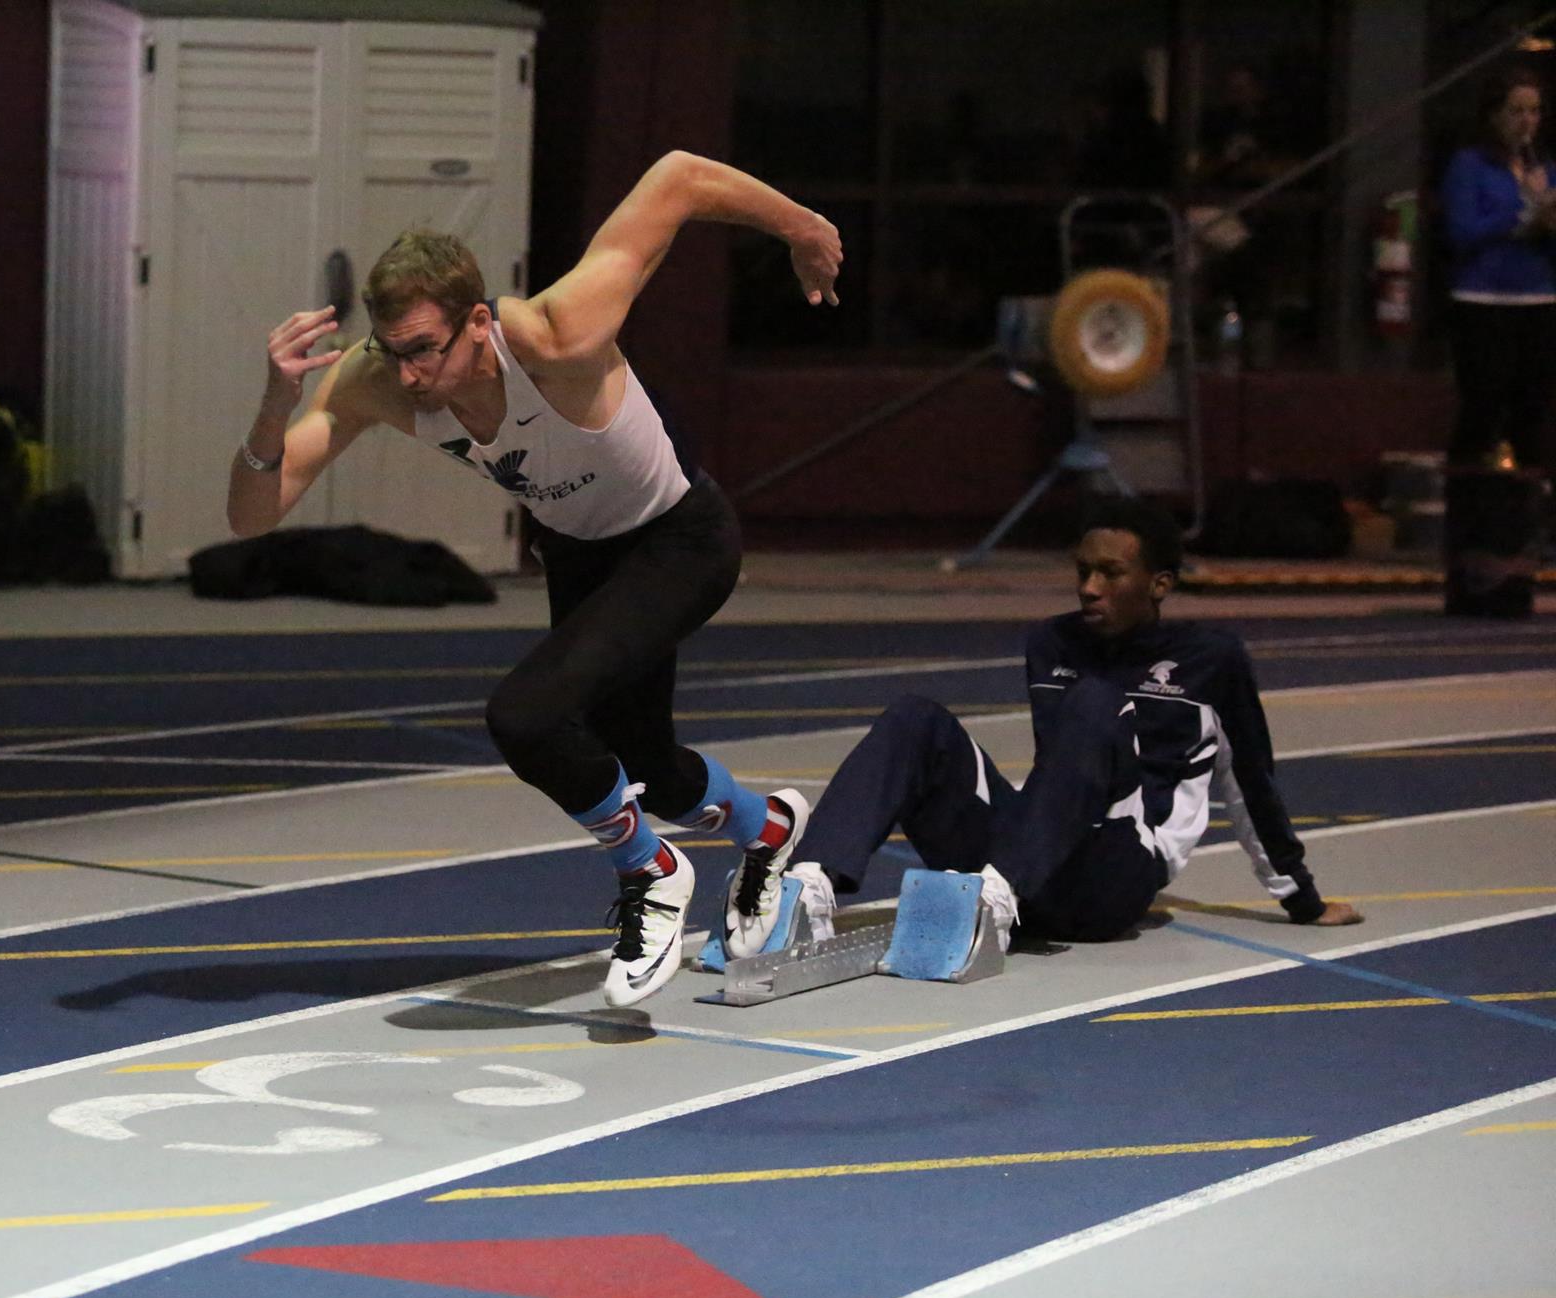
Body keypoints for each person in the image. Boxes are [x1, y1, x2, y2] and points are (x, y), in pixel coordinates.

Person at [231, 151, 843, 1007]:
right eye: (393, 351)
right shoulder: (376, 379)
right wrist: (272, 405)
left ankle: (651, 869)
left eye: (424, 351)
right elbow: (253, 516)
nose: (408, 375)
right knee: (652, 770)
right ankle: (771, 828)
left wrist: (805, 229)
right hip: (583, 554)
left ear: (478, 321)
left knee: (525, 713)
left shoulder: (560, 331)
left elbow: (676, 178)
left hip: (679, 539)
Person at [777, 497, 1362, 950]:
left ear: (1160, 584)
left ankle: (997, 899)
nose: (1089, 588)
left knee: (1094, 700)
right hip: (1028, 862)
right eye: (1083, 571)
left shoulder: (1213, 660)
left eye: (1110, 573)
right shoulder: (1051, 642)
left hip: (1116, 875)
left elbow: (1252, 784)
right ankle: (806, 891)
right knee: (915, 718)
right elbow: (1058, 778)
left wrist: (1301, 900)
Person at [1440, 66, 1556, 475]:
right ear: (1494, 115)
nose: (1527, 121)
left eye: (1534, 111)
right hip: (1483, 298)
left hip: (1538, 297)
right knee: (1484, 403)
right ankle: (1467, 502)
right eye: (1516, 111)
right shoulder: (1470, 164)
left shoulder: (1544, 169)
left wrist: (1547, 218)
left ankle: (1529, 508)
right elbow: (1461, 232)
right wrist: (1520, 213)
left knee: (1534, 406)